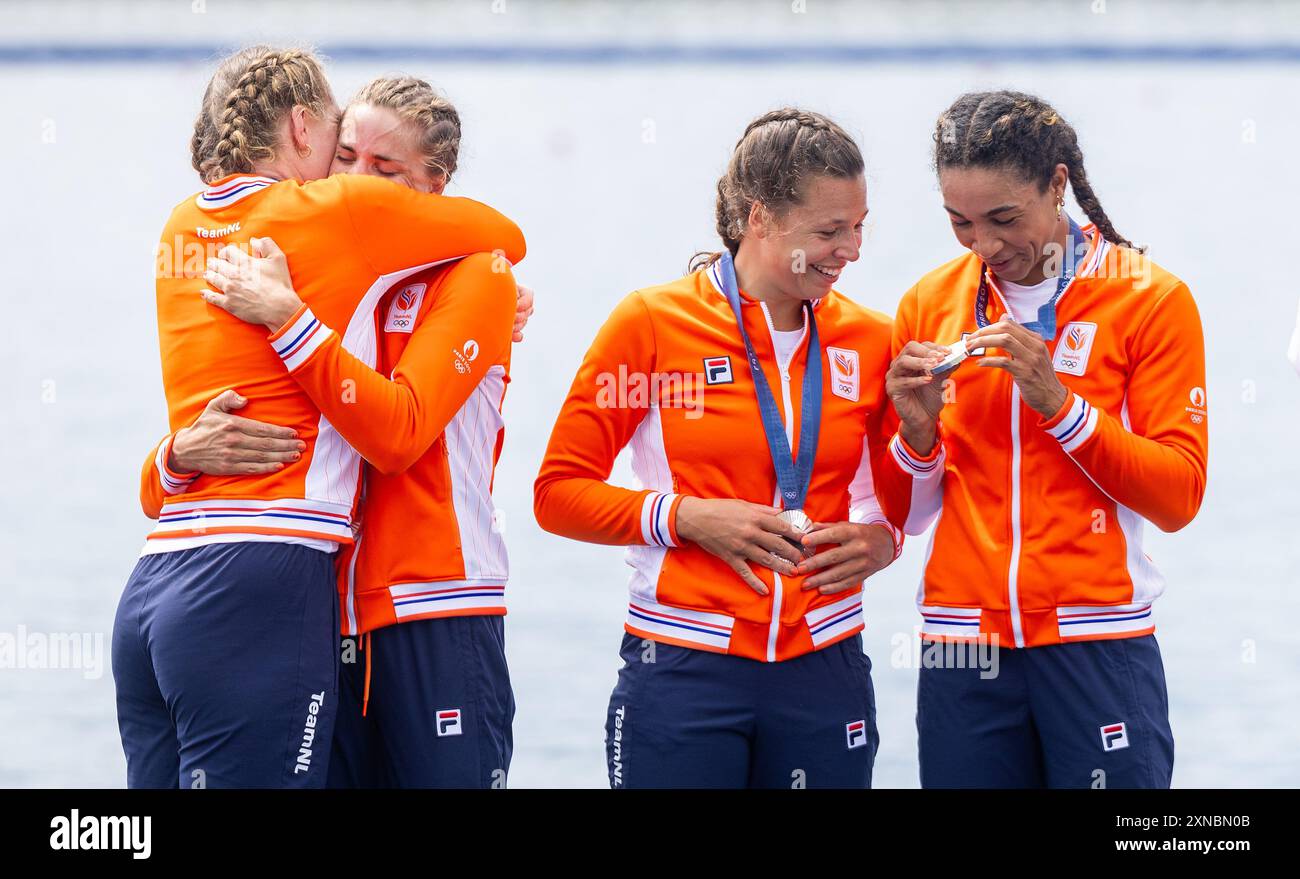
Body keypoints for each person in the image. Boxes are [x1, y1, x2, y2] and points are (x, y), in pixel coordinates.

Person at [111, 47, 525, 789]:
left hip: (422, 609)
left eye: (388, 172)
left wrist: (287, 318)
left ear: (435, 187)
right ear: (307, 131)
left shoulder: (190, 226)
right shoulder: (329, 230)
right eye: (345, 155)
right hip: (300, 598)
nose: (361, 181)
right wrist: (174, 451)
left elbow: (397, 432)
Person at [534, 109, 940, 789]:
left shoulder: (873, 339)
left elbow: (903, 509)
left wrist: (884, 540)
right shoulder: (653, 323)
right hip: (685, 666)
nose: (853, 249)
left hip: (826, 663)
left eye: (861, 225)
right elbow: (556, 495)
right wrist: (685, 517)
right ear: (760, 219)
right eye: (830, 231)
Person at [886, 90, 1208, 788]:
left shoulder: (1150, 299)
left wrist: (1060, 404)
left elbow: (1179, 496)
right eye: (960, 223)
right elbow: (908, 518)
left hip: (1097, 639)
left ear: (1057, 184)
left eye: (1005, 218)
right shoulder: (927, 304)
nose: (986, 246)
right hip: (961, 646)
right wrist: (915, 434)